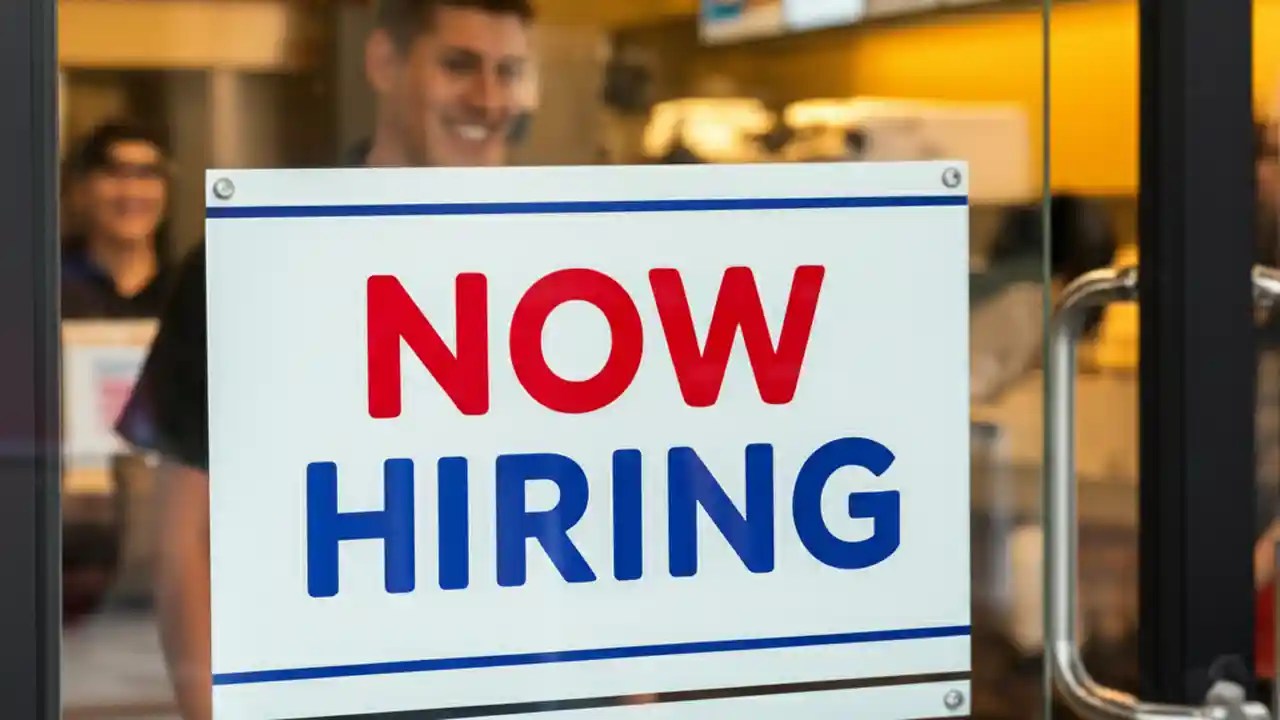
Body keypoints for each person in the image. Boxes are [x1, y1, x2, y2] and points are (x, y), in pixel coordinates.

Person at [114, 2, 536, 718]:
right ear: (384, 62)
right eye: (459, 65)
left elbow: (627, 517)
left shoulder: (560, 261)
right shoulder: (258, 257)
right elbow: (188, 535)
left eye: (510, 72)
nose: (489, 100)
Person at [60, 121, 176, 319]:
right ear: (79, 190)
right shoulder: (52, 288)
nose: (132, 192)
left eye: (147, 174)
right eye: (115, 174)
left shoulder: (186, 290)